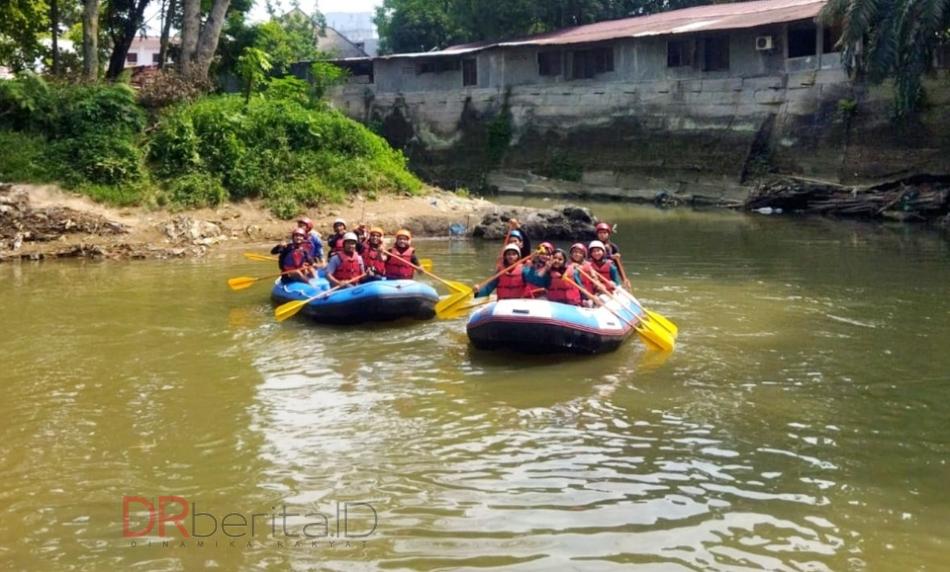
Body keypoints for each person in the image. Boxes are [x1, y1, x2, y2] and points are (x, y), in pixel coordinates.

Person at [474, 244, 547, 300]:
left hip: (518, 303)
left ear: (518, 256)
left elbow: (535, 280)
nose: (511, 256)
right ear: (505, 256)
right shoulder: (500, 271)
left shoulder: (524, 269)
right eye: (508, 254)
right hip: (502, 304)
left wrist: (533, 267)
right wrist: (477, 292)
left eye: (514, 254)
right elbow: (488, 288)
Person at [596, 222, 631, 289]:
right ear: (597, 234)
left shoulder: (613, 247)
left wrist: (624, 279)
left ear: (608, 234)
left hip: (609, 271)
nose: (602, 235)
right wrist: (610, 257)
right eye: (600, 233)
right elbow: (592, 259)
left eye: (604, 233)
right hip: (596, 271)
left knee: (613, 268)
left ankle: (616, 287)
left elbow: (618, 264)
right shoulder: (594, 245)